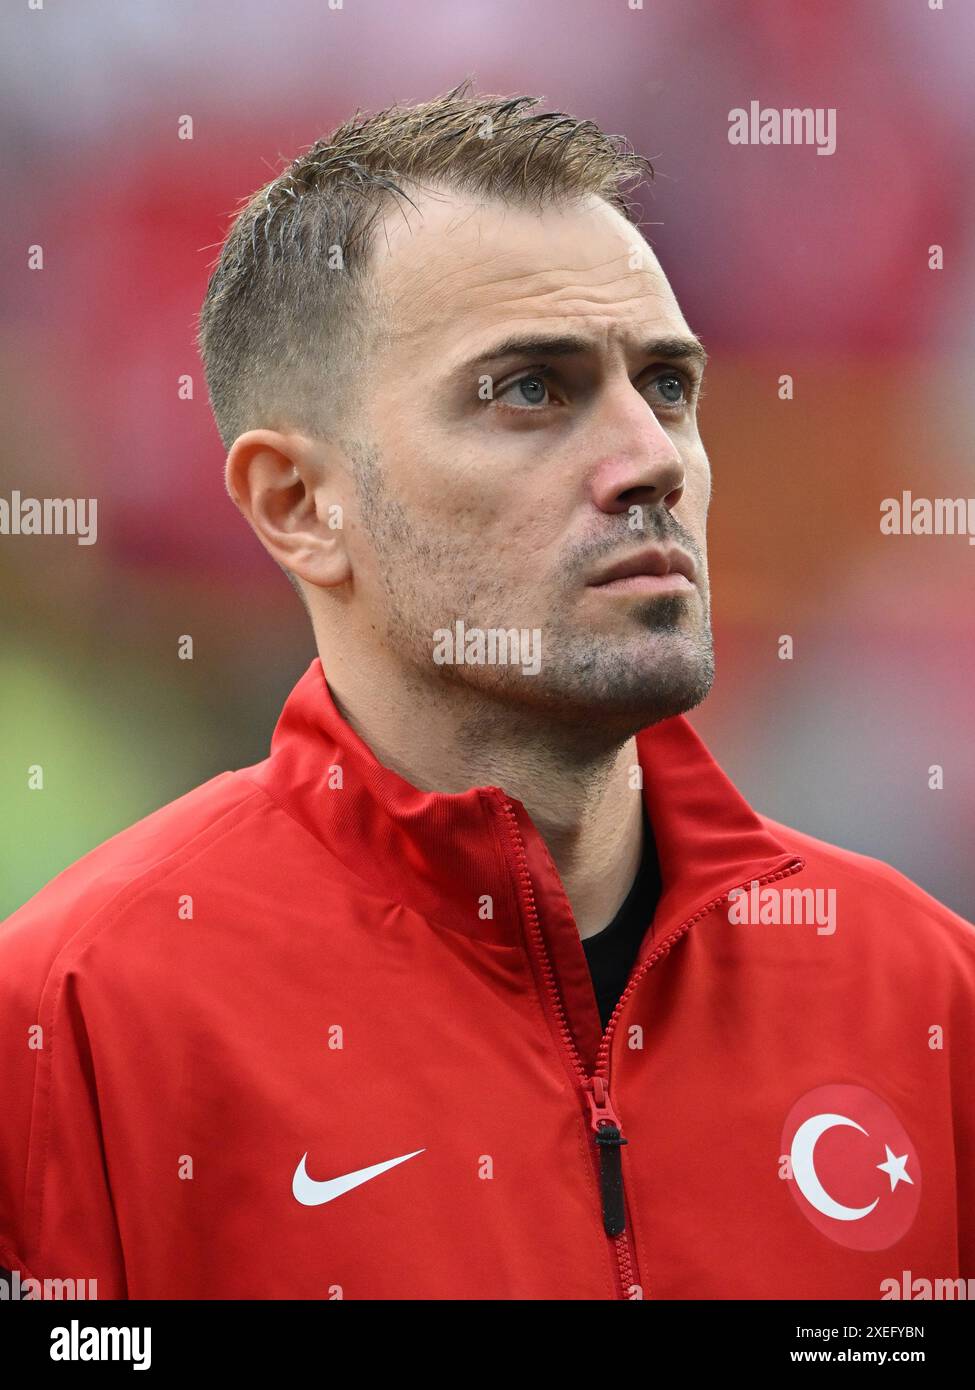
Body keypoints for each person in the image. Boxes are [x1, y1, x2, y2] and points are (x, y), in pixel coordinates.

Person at [1, 82, 972, 1301]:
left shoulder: (926, 992)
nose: (653, 460)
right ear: (301, 506)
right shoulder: (71, 1022)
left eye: (667, 387)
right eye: (532, 389)